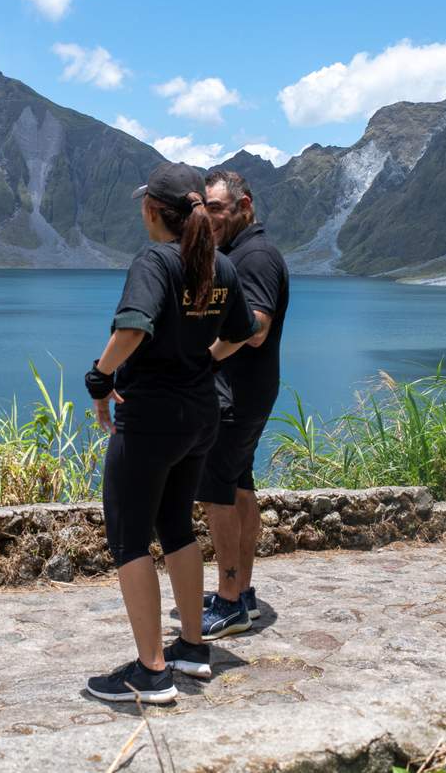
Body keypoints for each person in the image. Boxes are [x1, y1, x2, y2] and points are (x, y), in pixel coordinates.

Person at [84, 161, 258, 703]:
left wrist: (100, 376)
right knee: (177, 526)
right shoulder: (220, 267)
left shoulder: (156, 261)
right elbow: (244, 331)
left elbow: (134, 324)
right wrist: (198, 361)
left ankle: (151, 670)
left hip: (152, 418)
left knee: (130, 537)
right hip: (201, 415)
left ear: (153, 211)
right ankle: (191, 647)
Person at [197, 170, 290, 639]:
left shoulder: (254, 256)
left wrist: (202, 362)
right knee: (238, 488)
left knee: (217, 494)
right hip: (245, 392)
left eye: (217, 208)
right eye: (205, 209)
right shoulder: (239, 253)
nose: (209, 218)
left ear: (244, 205)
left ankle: (230, 600)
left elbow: (256, 328)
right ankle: (244, 592)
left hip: (235, 396)